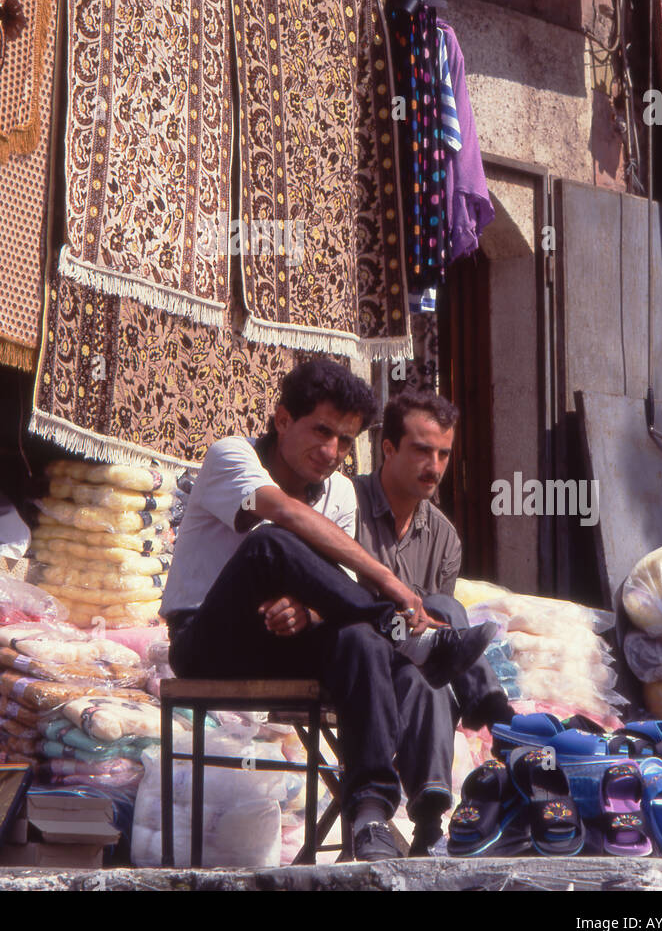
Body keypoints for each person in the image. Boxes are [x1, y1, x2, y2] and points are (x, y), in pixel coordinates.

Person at [160, 358, 496, 862]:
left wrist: (308, 614)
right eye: (321, 431)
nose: (331, 452)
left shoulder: (338, 491)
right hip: (210, 641)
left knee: (362, 639)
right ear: (282, 420)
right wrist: (388, 585)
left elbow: (327, 593)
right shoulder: (232, 456)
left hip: (286, 642)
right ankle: (403, 633)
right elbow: (284, 516)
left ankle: (374, 813)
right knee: (271, 542)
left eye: (344, 440)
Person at [353, 386, 512, 855]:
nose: (435, 466)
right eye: (423, 450)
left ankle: (428, 817)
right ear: (388, 447)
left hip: (413, 661)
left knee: (432, 680)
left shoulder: (444, 536)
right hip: (356, 650)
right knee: (442, 609)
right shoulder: (349, 504)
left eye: (444, 453)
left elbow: (441, 647)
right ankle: (495, 712)